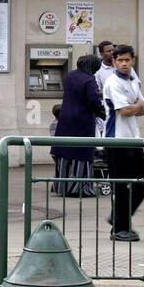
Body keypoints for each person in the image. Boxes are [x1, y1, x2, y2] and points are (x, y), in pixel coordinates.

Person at [101, 43, 144, 242]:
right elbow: (125, 111)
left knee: (142, 183)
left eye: (127, 60)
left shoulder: (132, 81)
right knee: (121, 186)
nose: (124, 64)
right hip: (117, 140)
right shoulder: (113, 83)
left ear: (133, 60)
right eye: (120, 60)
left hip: (133, 139)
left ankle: (119, 217)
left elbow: (143, 107)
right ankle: (120, 228)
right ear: (114, 62)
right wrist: (136, 106)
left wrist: (135, 106)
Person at [51, 54, 104, 198]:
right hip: (82, 121)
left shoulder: (69, 76)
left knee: (64, 153)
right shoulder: (89, 79)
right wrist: (103, 112)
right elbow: (93, 101)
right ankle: (79, 187)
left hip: (65, 118)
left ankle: (62, 186)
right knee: (82, 153)